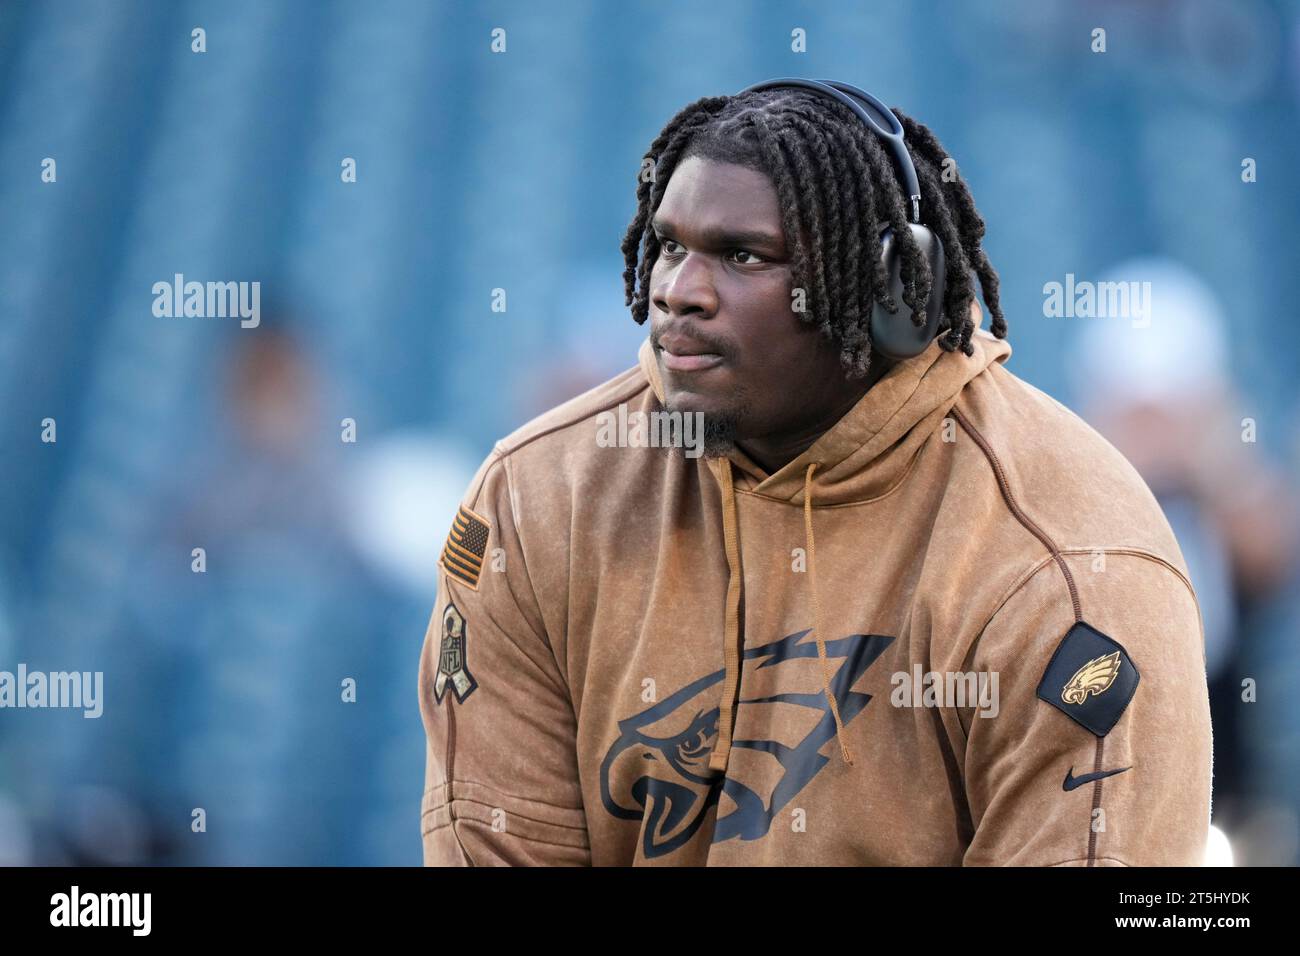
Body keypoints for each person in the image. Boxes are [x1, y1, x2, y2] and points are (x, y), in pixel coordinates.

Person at [417, 80, 1212, 866]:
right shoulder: (534, 501)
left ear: (891, 291)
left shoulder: (1067, 567)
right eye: (669, 246)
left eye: (741, 255)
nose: (677, 293)